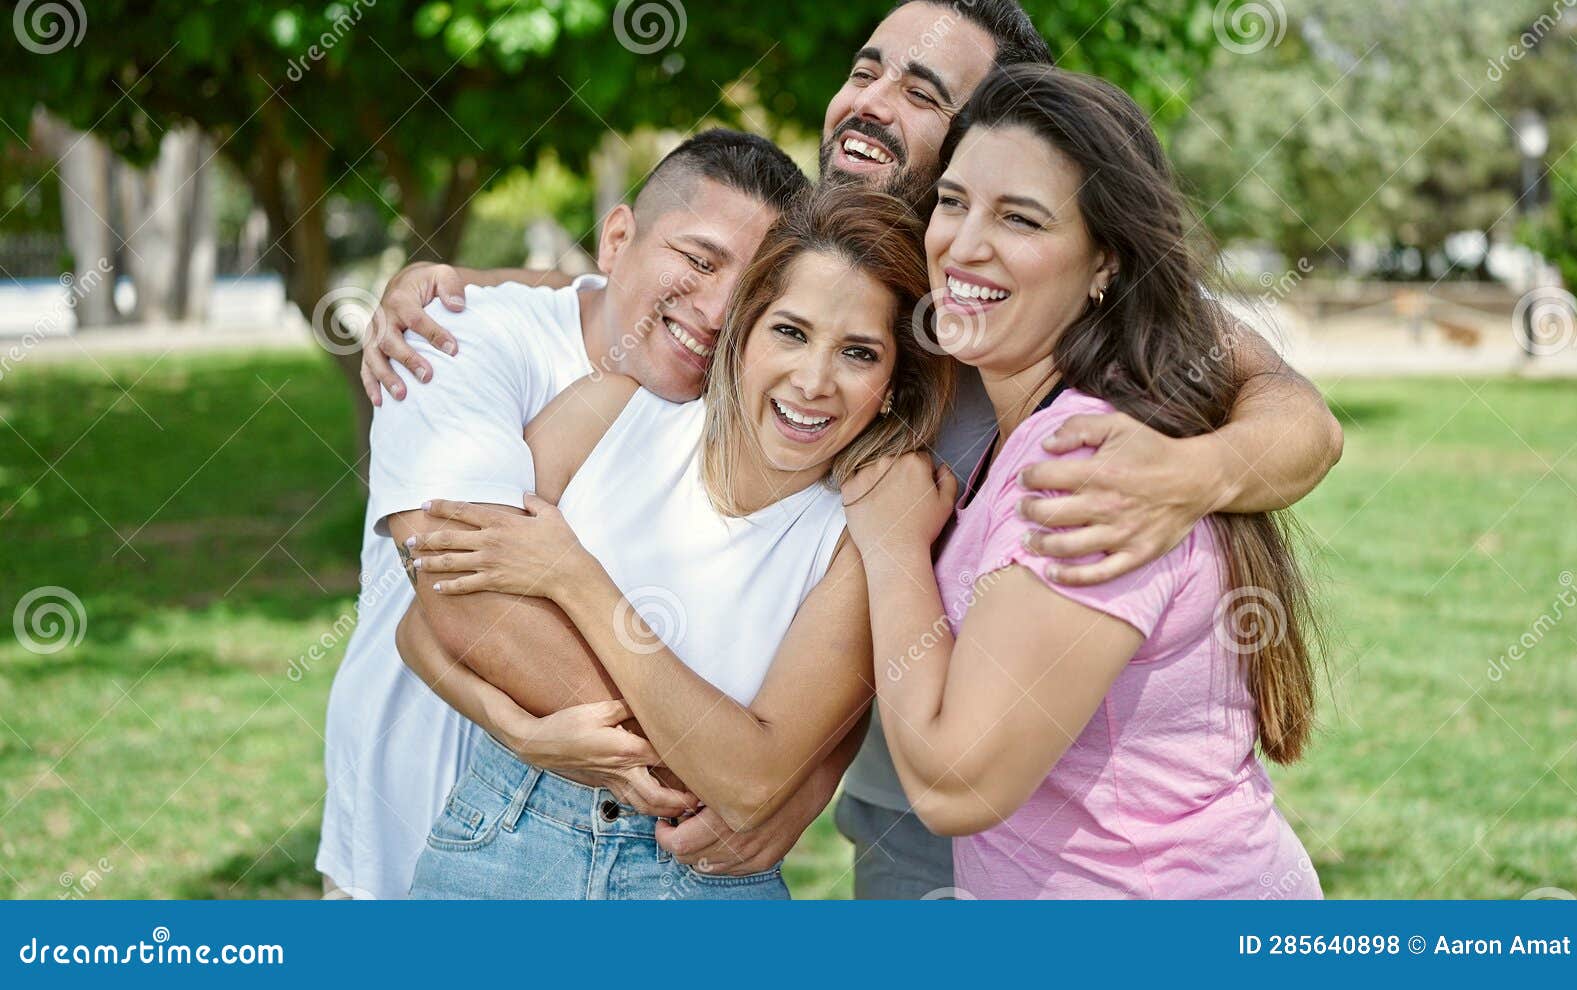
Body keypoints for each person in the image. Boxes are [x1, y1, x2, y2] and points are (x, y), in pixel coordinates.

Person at [356, 0, 1344, 898]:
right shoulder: (868, 282)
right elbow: (685, 278)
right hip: (911, 830)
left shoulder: (1069, 380)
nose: (869, 103)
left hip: (1058, 855)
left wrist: (1188, 474)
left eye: (920, 90)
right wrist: (466, 281)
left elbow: (1301, 417)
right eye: (866, 69)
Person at [844, 63, 1323, 898]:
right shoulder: (1053, 421)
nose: (964, 244)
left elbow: (959, 782)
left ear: (1104, 262)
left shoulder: (1082, 459)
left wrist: (890, 546)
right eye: (952, 203)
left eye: (1020, 219)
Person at [399, 186, 951, 898]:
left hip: (695, 881)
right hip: (507, 832)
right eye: (790, 331)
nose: (813, 381)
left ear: (893, 380)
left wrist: (575, 578)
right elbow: (431, 617)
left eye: (858, 352)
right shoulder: (607, 416)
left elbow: (750, 786)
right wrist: (520, 730)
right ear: (744, 332)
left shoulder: (858, 535)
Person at [315, 129, 807, 899]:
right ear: (618, 238)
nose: (716, 310)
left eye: (752, 289)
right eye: (699, 259)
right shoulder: (456, 336)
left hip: (629, 859)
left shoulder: (753, 397)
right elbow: (463, 589)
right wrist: (712, 760)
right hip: (414, 804)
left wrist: (783, 778)